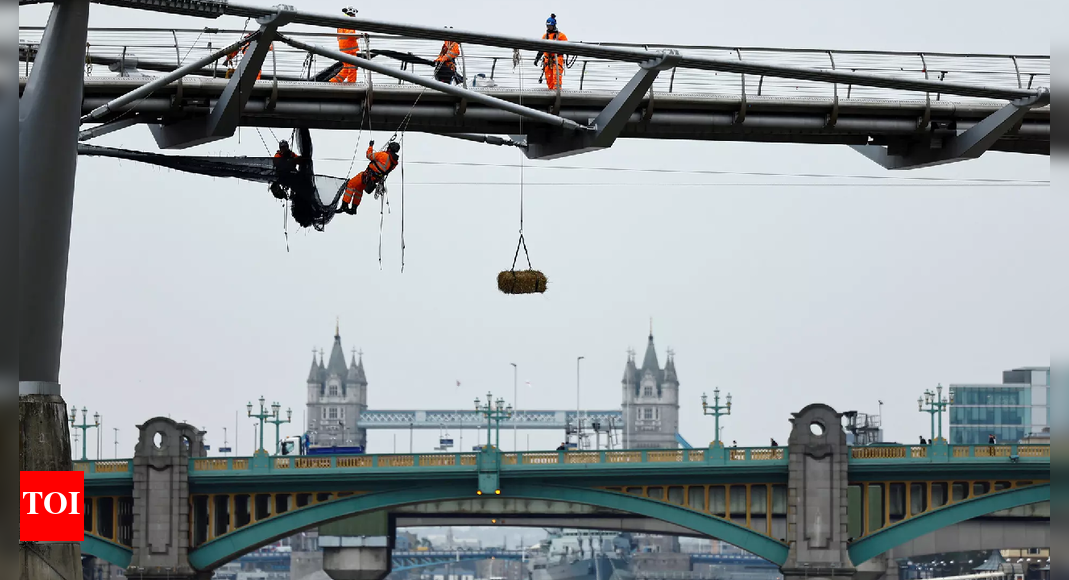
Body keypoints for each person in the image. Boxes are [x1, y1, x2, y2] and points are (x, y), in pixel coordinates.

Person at [338, 140, 400, 214]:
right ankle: (354, 208)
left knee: (350, 184)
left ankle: (344, 206)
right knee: (359, 189)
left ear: (389, 148)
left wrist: (370, 146)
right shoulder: (394, 163)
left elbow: (369, 155)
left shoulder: (383, 155)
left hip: (367, 175)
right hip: (373, 179)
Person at [536, 14, 568, 90]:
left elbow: (567, 48)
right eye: (547, 26)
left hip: (557, 60)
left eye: (550, 26)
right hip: (547, 60)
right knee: (549, 79)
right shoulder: (545, 36)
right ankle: (551, 92)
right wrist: (537, 59)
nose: (548, 27)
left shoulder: (561, 36)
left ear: (554, 25)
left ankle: (557, 93)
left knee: (556, 77)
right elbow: (541, 49)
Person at [331, 6, 361, 84]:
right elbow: (351, 35)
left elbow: (344, 36)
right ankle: (352, 84)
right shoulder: (349, 23)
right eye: (354, 15)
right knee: (352, 68)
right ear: (351, 14)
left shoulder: (341, 23)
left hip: (343, 49)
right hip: (350, 49)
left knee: (346, 68)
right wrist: (360, 35)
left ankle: (334, 82)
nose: (355, 17)